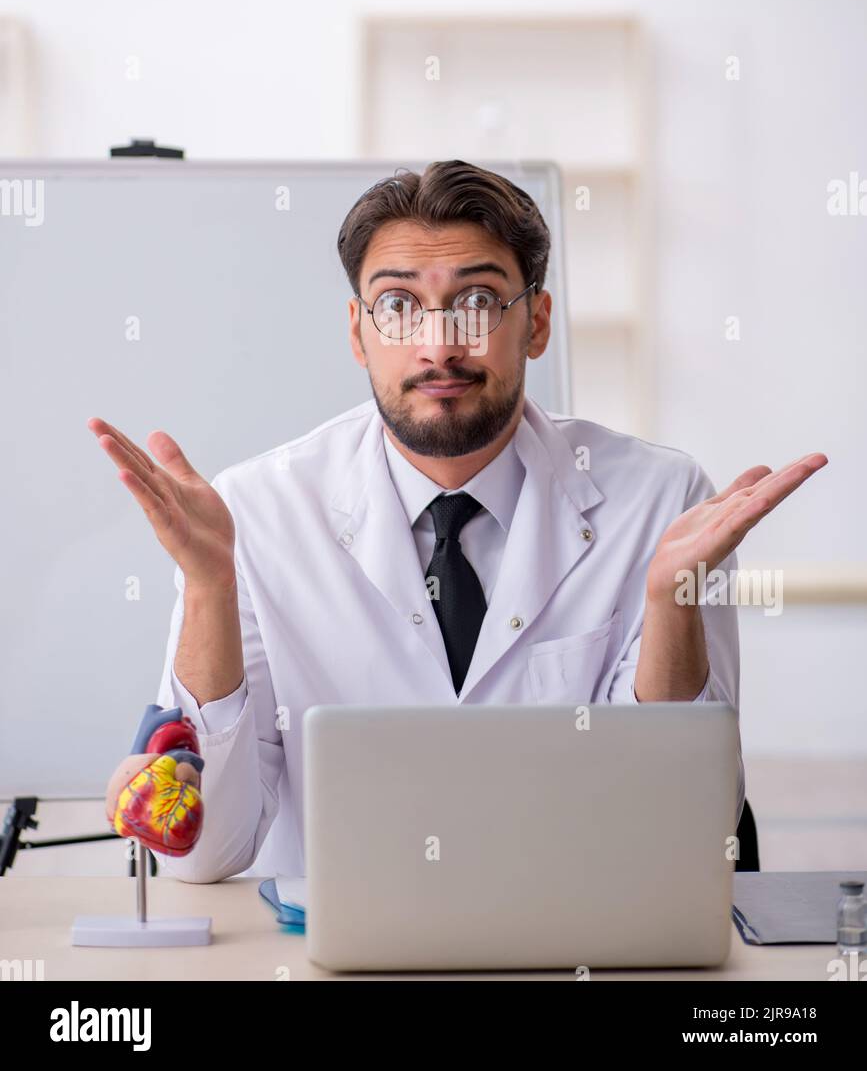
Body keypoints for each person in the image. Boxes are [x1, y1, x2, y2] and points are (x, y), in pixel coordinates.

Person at [88, 159, 827, 882]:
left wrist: (670, 604)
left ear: (535, 323)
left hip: (574, 956)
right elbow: (204, 852)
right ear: (358, 333)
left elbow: (688, 830)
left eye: (477, 301)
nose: (438, 345)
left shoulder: (660, 502)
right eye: (399, 305)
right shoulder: (252, 512)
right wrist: (209, 586)